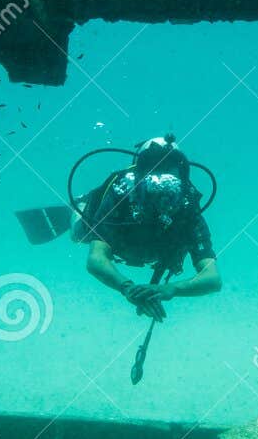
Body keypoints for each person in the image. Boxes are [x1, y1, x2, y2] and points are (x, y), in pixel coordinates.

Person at [75, 135, 221, 323]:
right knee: (78, 233)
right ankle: (80, 205)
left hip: (147, 251)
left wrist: (171, 289)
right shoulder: (120, 197)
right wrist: (126, 287)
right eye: (153, 167)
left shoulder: (188, 211)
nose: (161, 178)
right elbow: (95, 258)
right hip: (123, 242)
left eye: (169, 168)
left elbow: (213, 278)